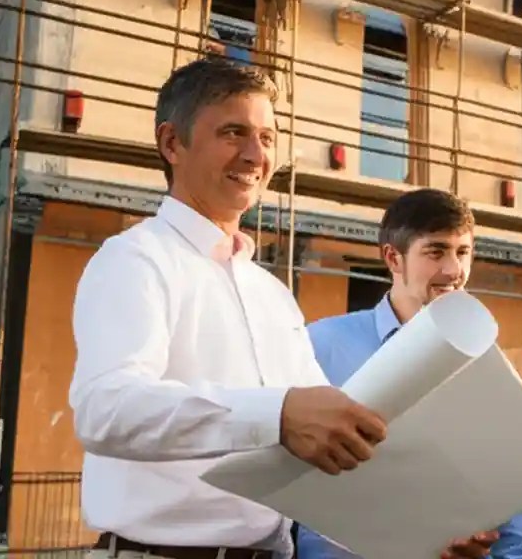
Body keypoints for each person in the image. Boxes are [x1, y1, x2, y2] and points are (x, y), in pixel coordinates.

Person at [69, 56, 388, 559]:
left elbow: (328, 442)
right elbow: (106, 409)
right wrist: (277, 414)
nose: (256, 155)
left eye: (268, 137)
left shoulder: (272, 295)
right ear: (172, 143)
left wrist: (426, 532)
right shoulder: (135, 259)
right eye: (233, 132)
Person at [295, 188, 522, 559]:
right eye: (436, 252)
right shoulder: (320, 346)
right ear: (394, 258)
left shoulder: (489, 364)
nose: (454, 270)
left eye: (463, 252)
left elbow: (513, 523)